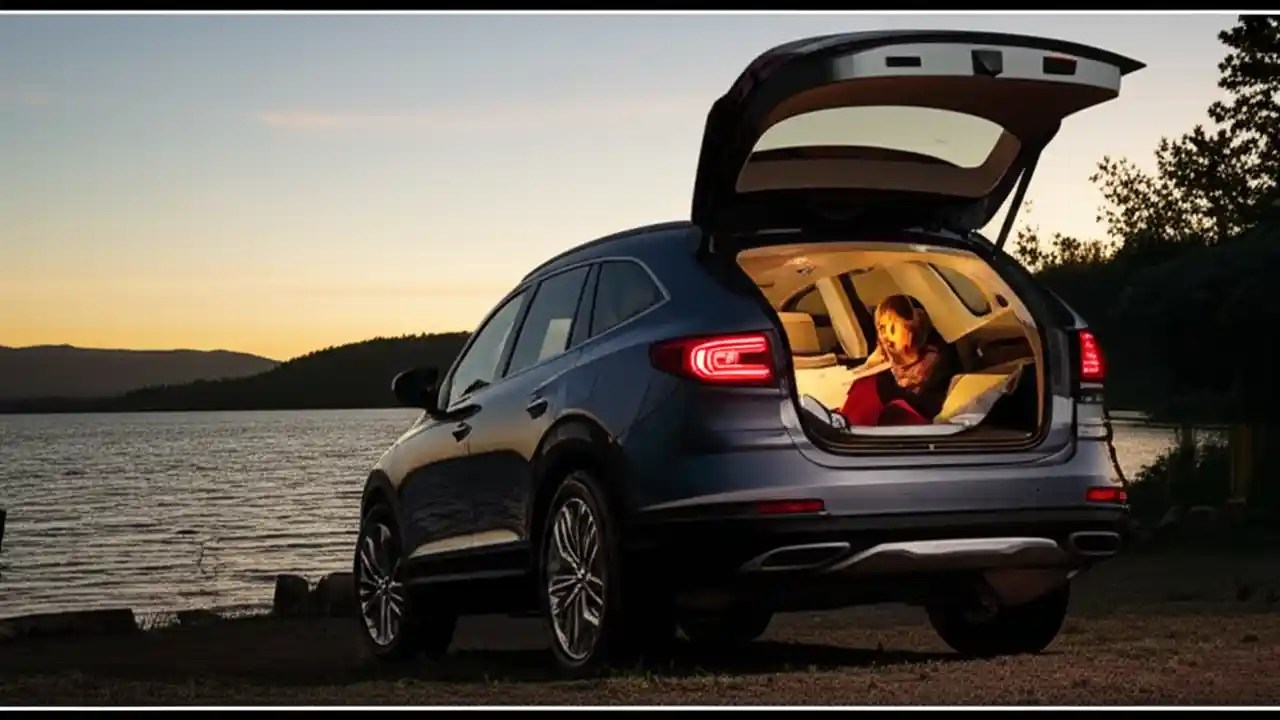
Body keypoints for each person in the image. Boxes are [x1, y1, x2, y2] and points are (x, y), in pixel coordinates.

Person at [838, 294, 957, 427]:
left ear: (911, 327)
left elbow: (933, 408)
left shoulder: (936, 364)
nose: (885, 337)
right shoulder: (883, 368)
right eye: (881, 330)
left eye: (892, 329)